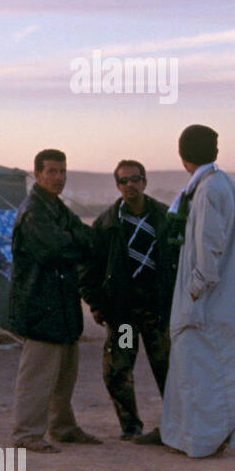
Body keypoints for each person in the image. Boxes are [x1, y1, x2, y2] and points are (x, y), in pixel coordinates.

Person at [138, 125, 235, 457]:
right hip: (214, 299)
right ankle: (194, 436)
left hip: (205, 301)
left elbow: (209, 245)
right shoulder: (220, 184)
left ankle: (202, 439)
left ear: (182, 154)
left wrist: (194, 291)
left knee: (203, 370)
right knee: (205, 369)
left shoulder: (207, 190)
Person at [8, 149, 101, 453]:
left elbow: (85, 239)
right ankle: (25, 433)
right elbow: (53, 251)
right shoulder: (34, 211)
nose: (58, 178)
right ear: (37, 174)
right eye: (52, 172)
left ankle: (62, 427)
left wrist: (71, 241)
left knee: (64, 371)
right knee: (37, 373)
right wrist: (72, 242)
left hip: (61, 302)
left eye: (62, 172)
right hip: (39, 302)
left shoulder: (56, 209)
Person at [79, 160, 175, 440]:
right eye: (124, 181)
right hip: (123, 313)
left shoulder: (164, 218)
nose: (130, 185)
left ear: (145, 182)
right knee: (118, 369)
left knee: (168, 368)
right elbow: (88, 266)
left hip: (157, 309)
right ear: (117, 186)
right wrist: (95, 302)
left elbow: (181, 260)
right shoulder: (107, 224)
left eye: (135, 179)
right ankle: (130, 426)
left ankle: (176, 424)